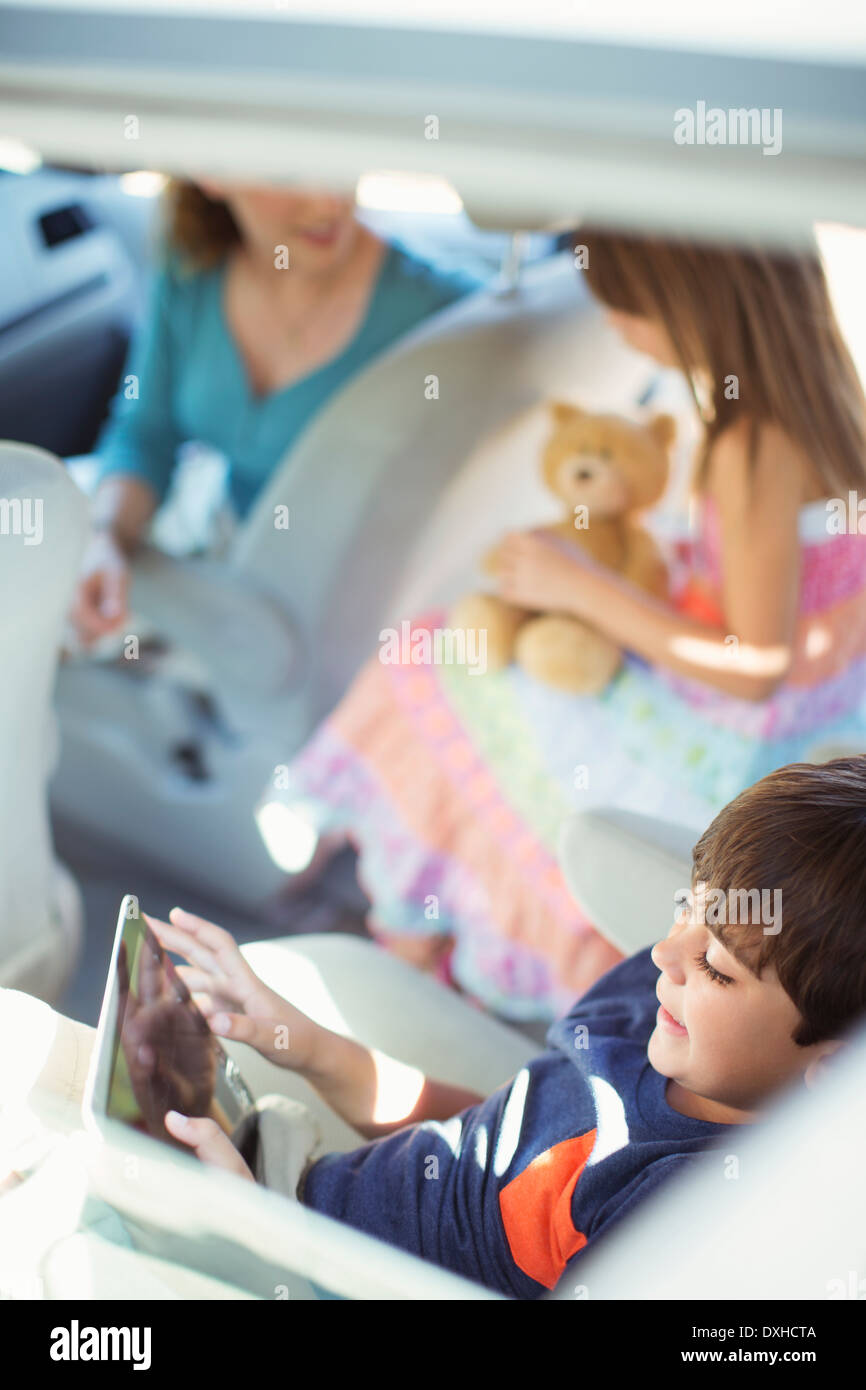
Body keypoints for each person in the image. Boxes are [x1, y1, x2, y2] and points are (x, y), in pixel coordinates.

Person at [272, 227, 866, 1018]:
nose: (615, 326)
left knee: (428, 658)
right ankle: (422, 936)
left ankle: (411, 945)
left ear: (692, 305)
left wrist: (580, 586)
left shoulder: (755, 441)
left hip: (734, 739)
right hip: (820, 715)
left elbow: (752, 665)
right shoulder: (834, 399)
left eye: (627, 308)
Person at [153, 758, 866, 1298]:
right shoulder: (647, 1011)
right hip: (291, 1183)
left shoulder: (687, 1212)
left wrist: (252, 1239)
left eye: (715, 966)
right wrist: (304, 1043)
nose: (664, 954)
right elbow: (491, 1135)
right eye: (685, 908)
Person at [71, 180, 483, 643]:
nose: (328, 200)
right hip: (225, 559)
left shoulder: (445, 312)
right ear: (212, 174)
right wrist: (105, 539)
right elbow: (147, 433)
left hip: (349, 614)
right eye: (291, 171)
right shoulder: (192, 268)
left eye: (339, 161)